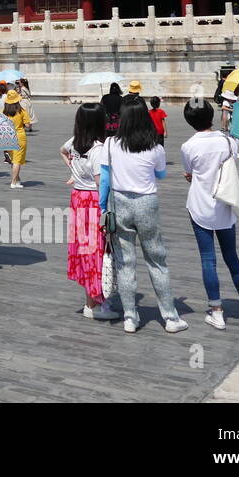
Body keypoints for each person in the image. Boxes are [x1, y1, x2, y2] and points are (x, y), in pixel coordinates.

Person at [99, 100, 187, 333]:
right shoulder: (155, 148)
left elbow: (105, 179)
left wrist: (101, 207)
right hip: (147, 202)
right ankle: (169, 316)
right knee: (157, 259)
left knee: (125, 262)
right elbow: (162, 174)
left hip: (119, 202)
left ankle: (130, 316)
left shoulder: (110, 144)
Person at [180, 101, 239, 329]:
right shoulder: (228, 141)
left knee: (208, 259)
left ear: (189, 121)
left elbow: (190, 172)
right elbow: (230, 161)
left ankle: (216, 312)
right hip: (225, 205)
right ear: (211, 116)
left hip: (199, 206)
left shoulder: (188, 146)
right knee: (231, 256)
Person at [60, 104, 112, 317]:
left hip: (77, 198)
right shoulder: (98, 149)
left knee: (85, 250)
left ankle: (90, 300)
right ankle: (94, 304)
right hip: (92, 201)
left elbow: (62, 151)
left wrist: (73, 170)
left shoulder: (74, 143)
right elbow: (101, 185)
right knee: (95, 250)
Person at [1, 90, 30, 188]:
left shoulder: (4, 112)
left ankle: (17, 179)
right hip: (19, 135)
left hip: (8, 136)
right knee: (17, 160)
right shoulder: (21, 111)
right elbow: (27, 124)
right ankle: (13, 182)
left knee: (13, 160)